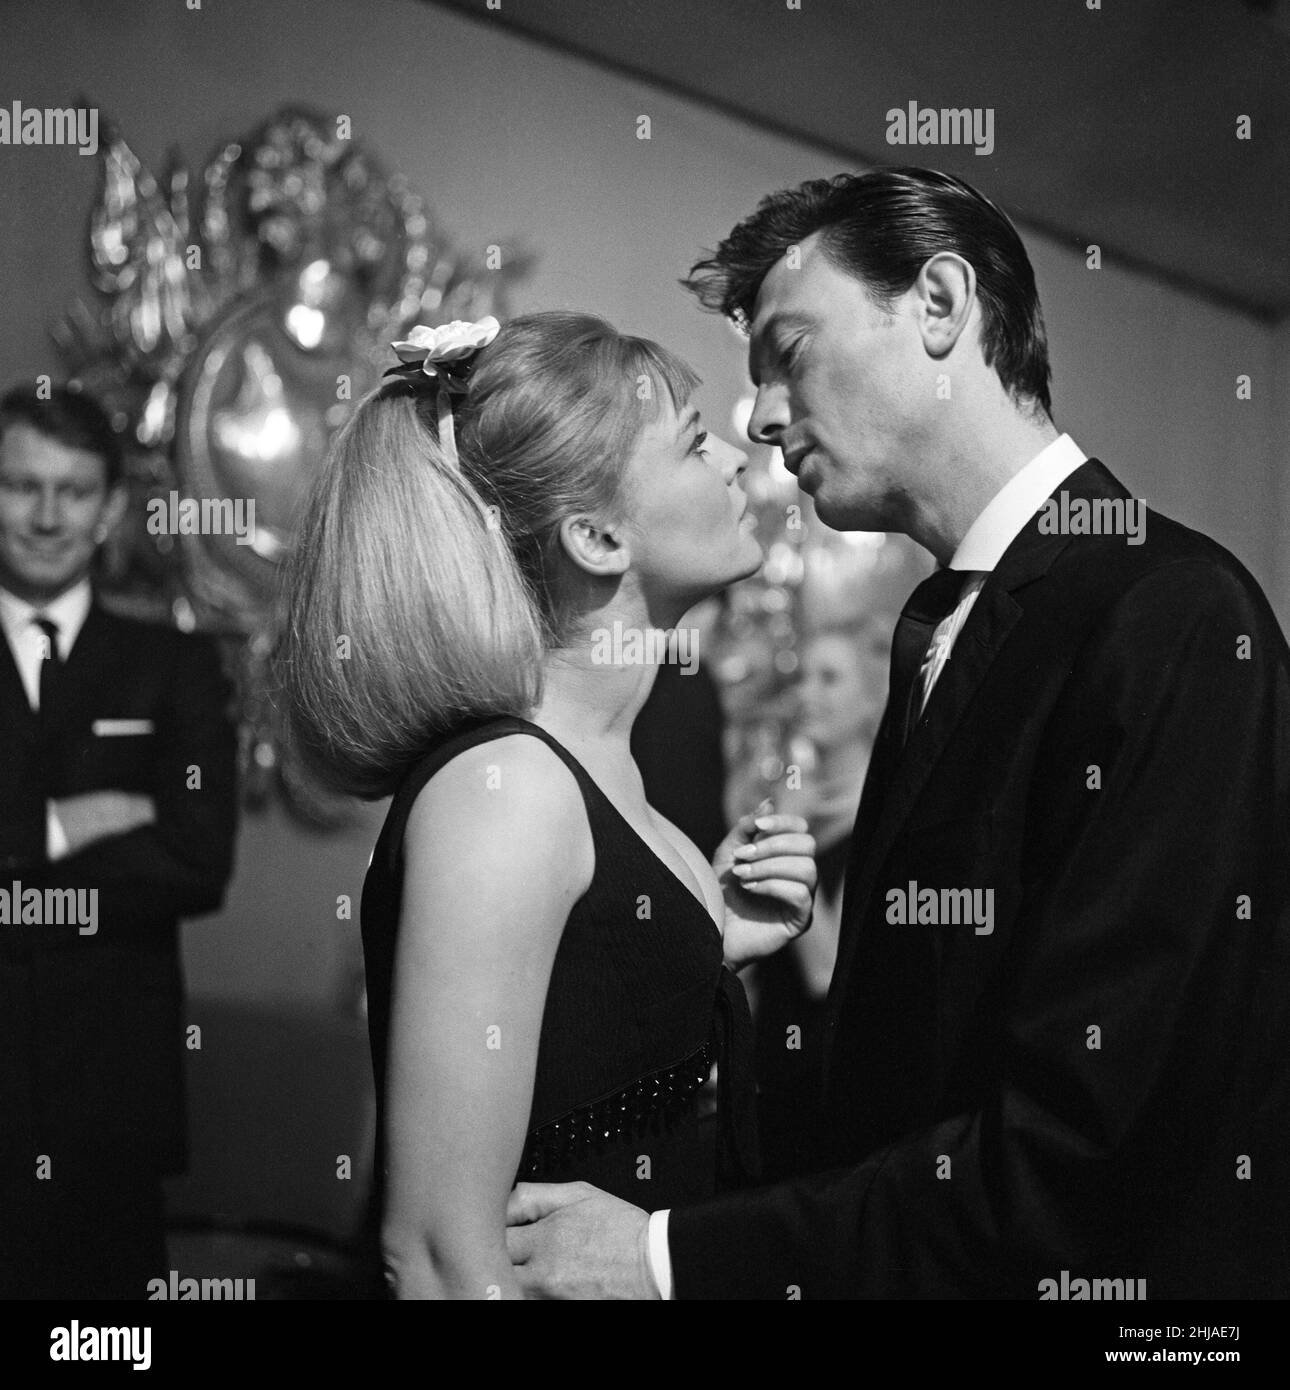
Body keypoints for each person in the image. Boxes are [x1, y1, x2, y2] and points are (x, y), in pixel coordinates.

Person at [504, 168, 1290, 1299]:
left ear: (939, 304)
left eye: (788, 351)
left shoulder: (1170, 612)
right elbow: (898, 1099)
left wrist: (664, 1258)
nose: (764, 418)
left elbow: (1086, 1147)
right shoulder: (939, 629)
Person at [276, 311, 817, 1300]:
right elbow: (437, 1259)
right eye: (697, 443)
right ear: (599, 536)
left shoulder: (610, 777)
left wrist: (706, 937)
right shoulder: (508, 792)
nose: (742, 458)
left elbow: (595, 1062)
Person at [0, 383, 238, 1299]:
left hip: (108, 1105)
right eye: (23, 486)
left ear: (108, 509)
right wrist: (72, 822)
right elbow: (150, 853)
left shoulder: (172, 667)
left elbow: (197, 860)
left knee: (105, 1352)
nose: (48, 515)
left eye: (73, 491)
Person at [751, 618, 889, 1180]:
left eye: (830, 678)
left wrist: (795, 827)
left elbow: (824, 972)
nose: (807, 693)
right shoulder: (788, 800)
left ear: (869, 699)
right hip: (768, 1068)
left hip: (832, 1078)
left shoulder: (881, 817)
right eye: (803, 676)